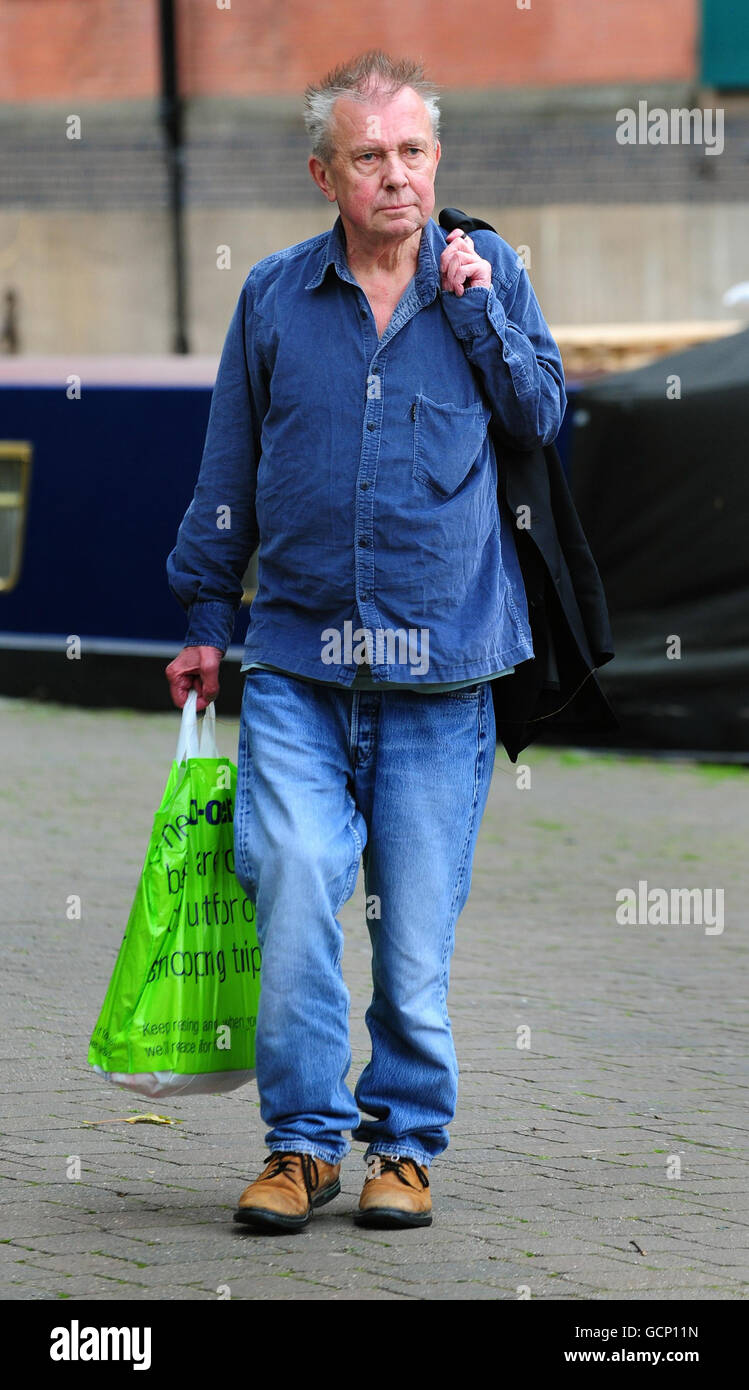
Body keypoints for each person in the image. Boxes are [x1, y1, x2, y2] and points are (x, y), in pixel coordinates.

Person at [165, 49, 566, 1233]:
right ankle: (300, 1146)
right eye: (368, 157)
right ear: (322, 174)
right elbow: (226, 470)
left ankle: (404, 1145)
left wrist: (476, 307)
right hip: (294, 664)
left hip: (442, 675)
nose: (395, 176)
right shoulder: (275, 299)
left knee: (414, 941)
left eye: (412, 153)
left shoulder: (487, 275)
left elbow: (543, 414)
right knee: (289, 886)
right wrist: (202, 615)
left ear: (435, 161)